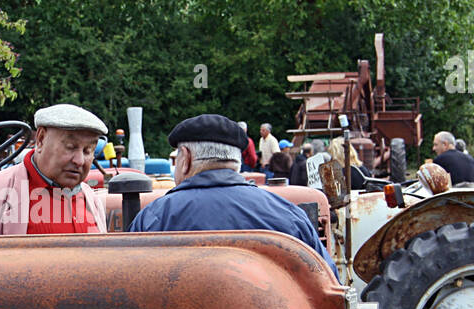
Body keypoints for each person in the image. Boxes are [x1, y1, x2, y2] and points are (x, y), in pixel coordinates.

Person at [128, 113, 337, 277]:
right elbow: (328, 284)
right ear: (236, 161)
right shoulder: (289, 215)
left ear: (187, 159)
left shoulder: (153, 219)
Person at [0, 104, 108, 236]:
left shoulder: (92, 201)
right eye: (70, 147)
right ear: (40, 139)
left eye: (88, 151)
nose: (79, 160)